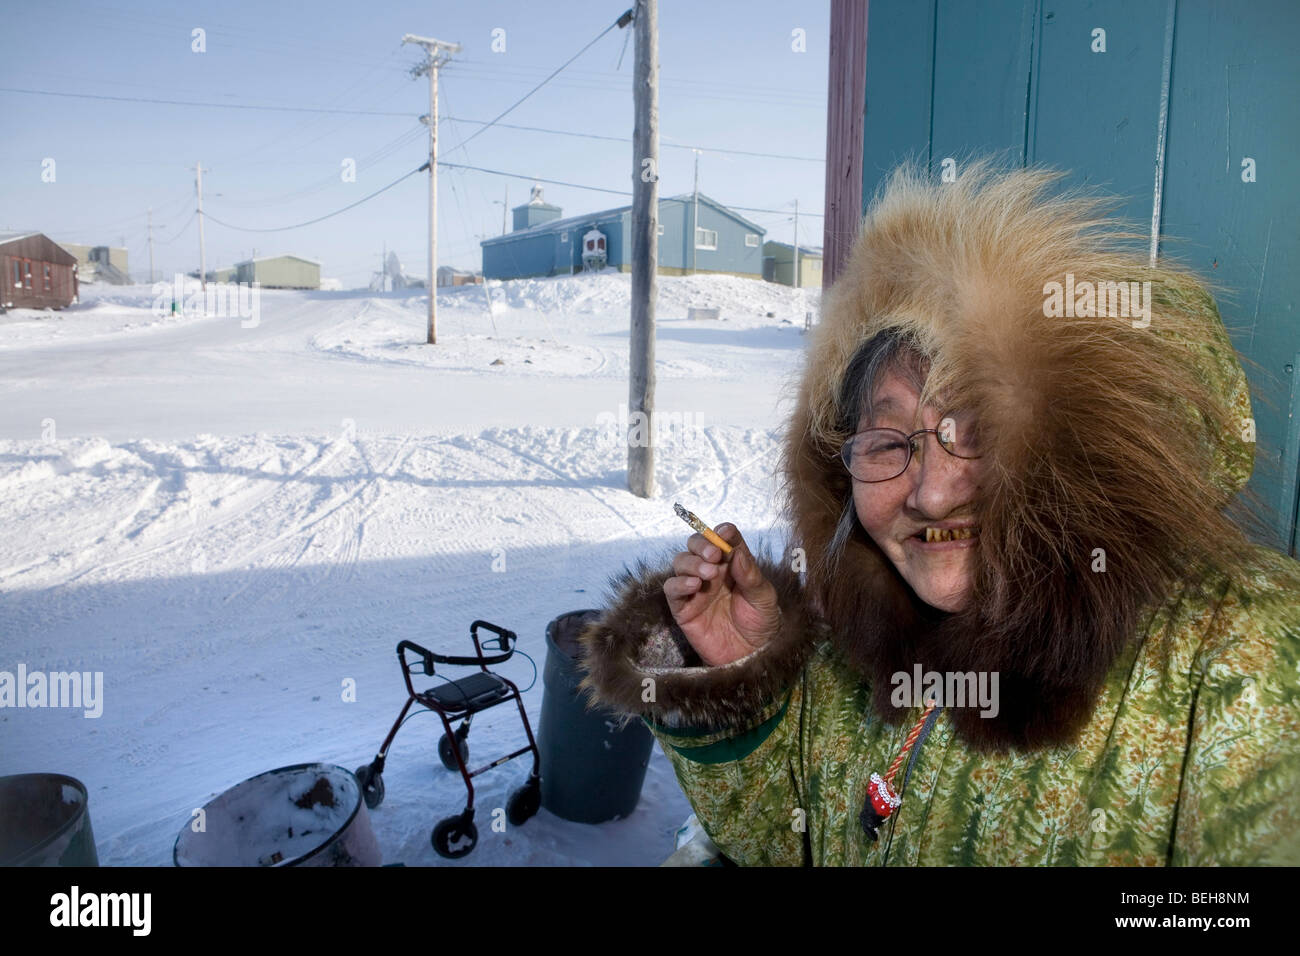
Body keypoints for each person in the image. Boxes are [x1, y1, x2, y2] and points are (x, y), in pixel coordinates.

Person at [575, 160, 1300, 866]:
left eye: (980, 428)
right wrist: (746, 676)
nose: (930, 493)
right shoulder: (856, 647)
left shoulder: (1242, 659)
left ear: (1077, 449)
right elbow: (787, 842)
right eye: (889, 440)